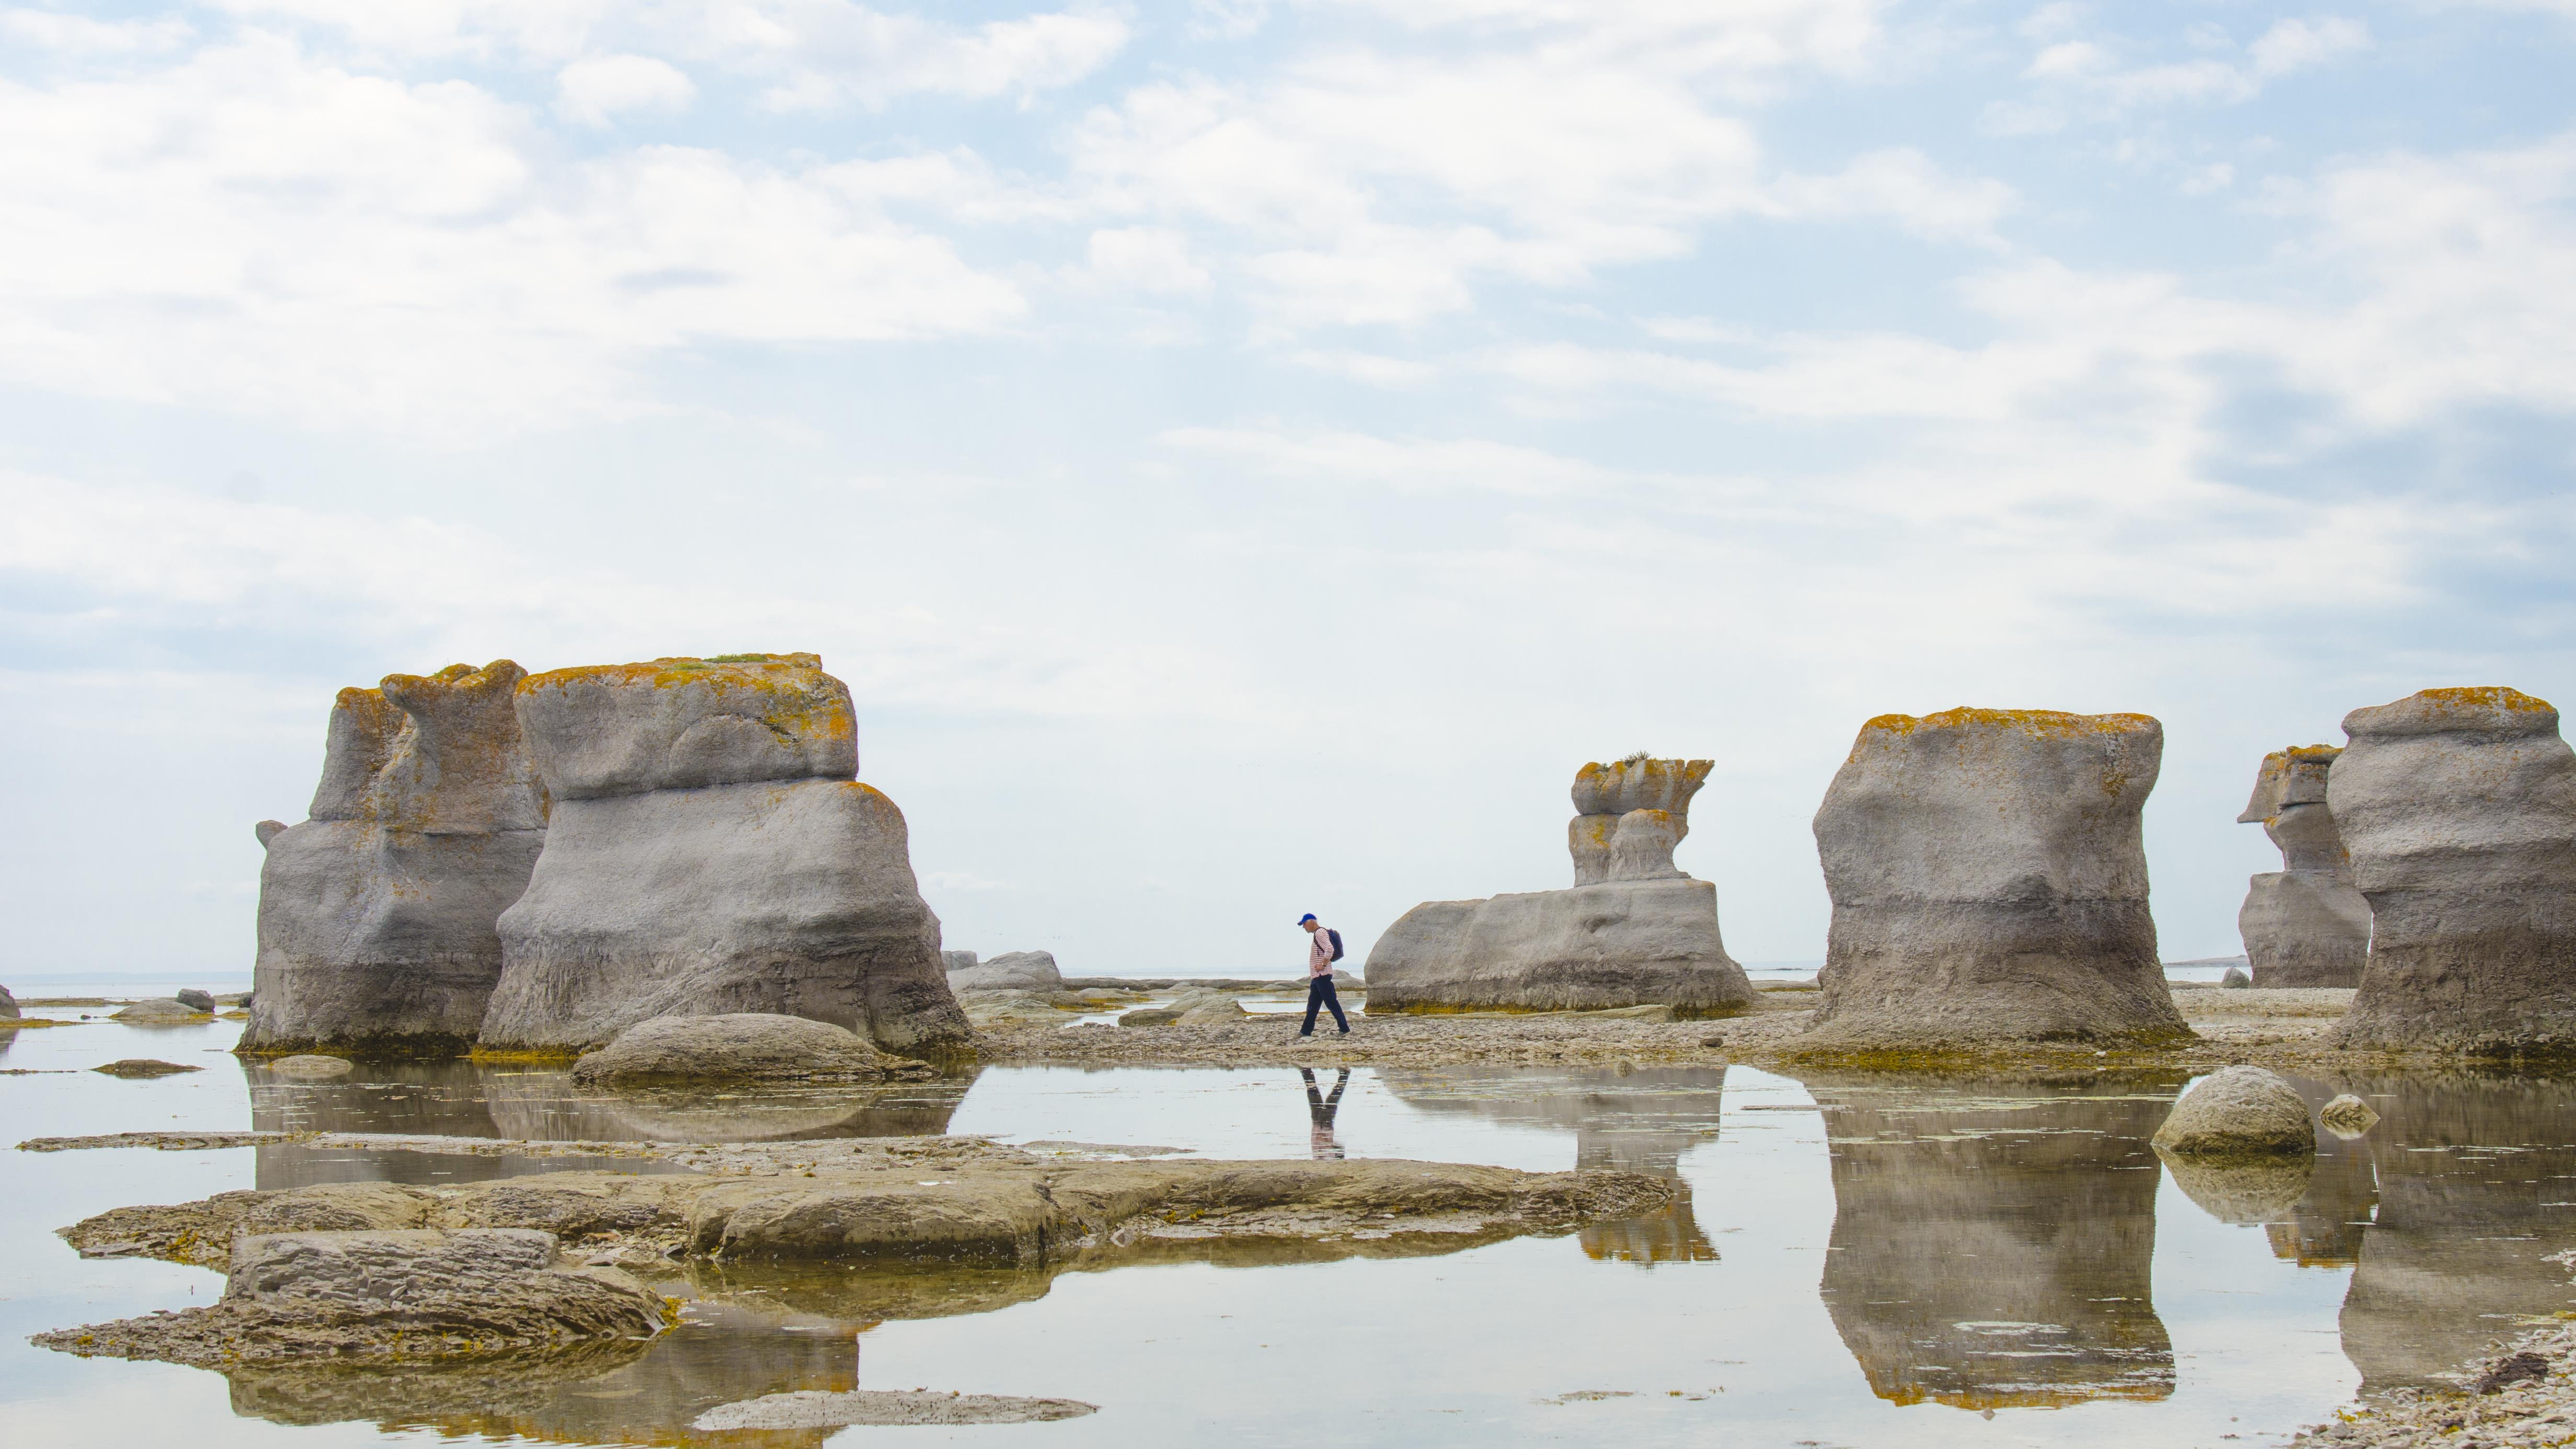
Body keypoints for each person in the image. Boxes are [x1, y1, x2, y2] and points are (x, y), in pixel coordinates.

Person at [1298, 912, 1349, 1035]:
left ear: (1311, 922)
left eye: (1304, 924)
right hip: (1318, 977)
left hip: (1322, 975)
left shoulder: (1320, 933)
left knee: (1331, 1003)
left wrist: (1323, 965)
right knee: (1313, 1006)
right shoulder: (1319, 933)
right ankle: (1306, 1031)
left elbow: (1330, 949)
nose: (1304, 927)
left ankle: (1344, 1028)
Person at [1301, 1066, 1350, 1158]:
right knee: (1332, 1098)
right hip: (1325, 1127)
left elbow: (1340, 1150)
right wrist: (1328, 1144)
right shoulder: (1331, 1159)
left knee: (1315, 1095)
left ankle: (1306, 1072)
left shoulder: (1319, 1160)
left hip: (1317, 1126)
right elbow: (1340, 1151)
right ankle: (1345, 1075)